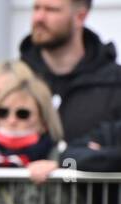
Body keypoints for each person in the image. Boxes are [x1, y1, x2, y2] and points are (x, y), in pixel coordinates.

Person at [19, 0, 121, 142]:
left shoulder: (114, 84)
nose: (39, 18)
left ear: (80, 17)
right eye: (36, 8)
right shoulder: (16, 80)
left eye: (51, 10)